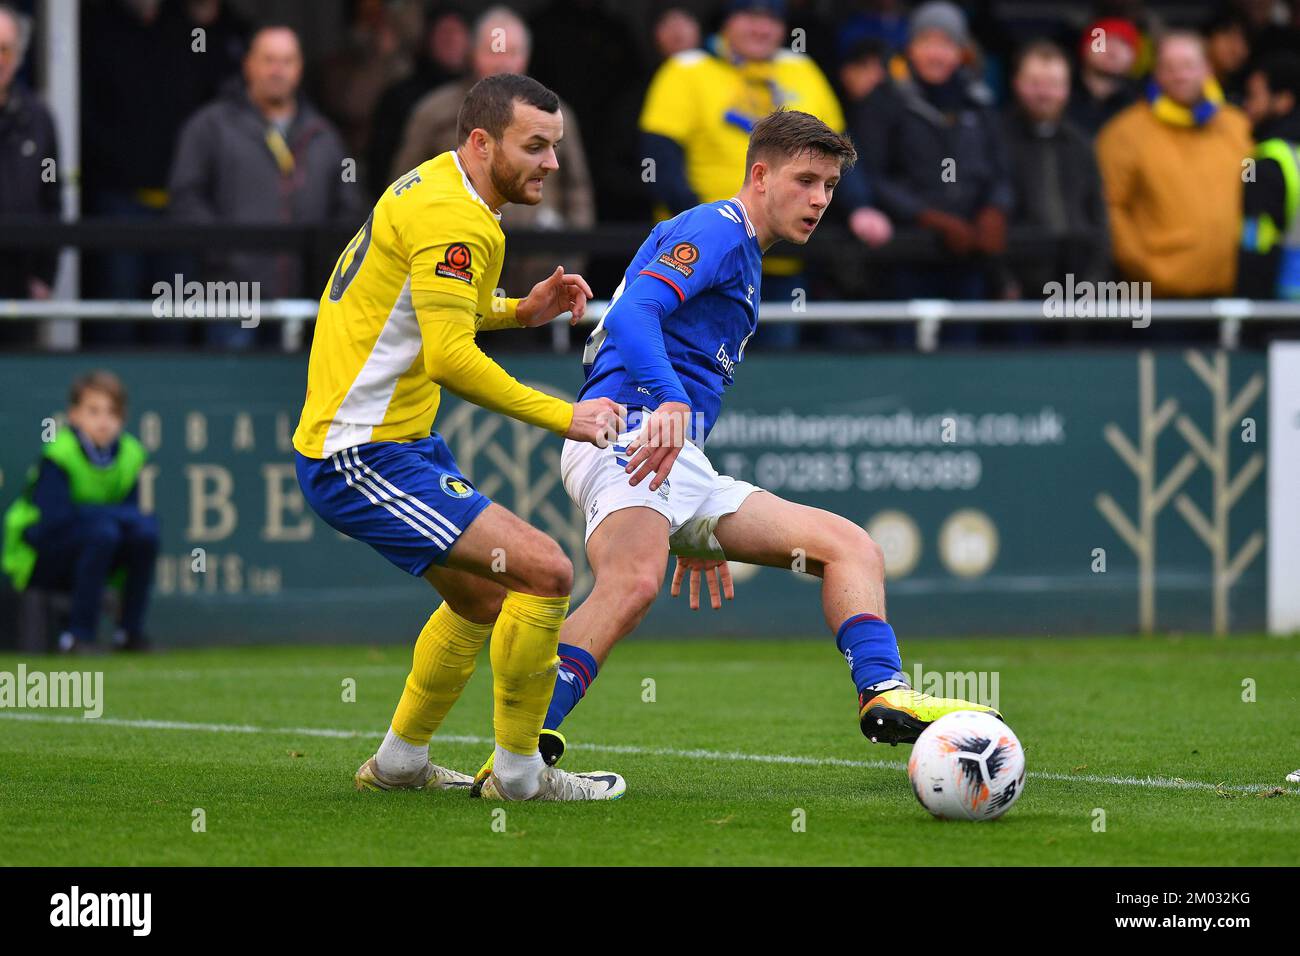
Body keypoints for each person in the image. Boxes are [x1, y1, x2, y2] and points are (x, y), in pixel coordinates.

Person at [466, 109, 1002, 794]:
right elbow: (630, 316)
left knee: (851, 548)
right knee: (631, 582)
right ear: (760, 174)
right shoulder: (717, 229)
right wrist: (667, 399)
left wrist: (684, 513)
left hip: (678, 454)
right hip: (629, 428)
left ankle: (883, 693)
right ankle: (516, 762)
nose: (819, 199)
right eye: (805, 180)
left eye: (830, 186)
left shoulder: (747, 259)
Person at [293, 74, 627, 803]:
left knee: (482, 597)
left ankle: (399, 766)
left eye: (556, 147)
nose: (551, 163)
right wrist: (565, 413)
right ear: (481, 142)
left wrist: (521, 310)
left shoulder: (441, 188)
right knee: (546, 572)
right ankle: (518, 779)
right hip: (360, 453)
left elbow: (436, 311)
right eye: (534, 146)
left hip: (390, 443)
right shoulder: (458, 217)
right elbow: (449, 357)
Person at [639, 0, 891, 349]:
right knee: (698, 363)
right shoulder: (687, 69)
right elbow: (661, 163)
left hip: (783, 262)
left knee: (773, 373)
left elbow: (838, 151)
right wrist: (712, 228)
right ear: (727, 21)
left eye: (771, 19)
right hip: (705, 259)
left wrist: (861, 206)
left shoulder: (800, 68)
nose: (761, 29)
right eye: (749, 17)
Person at [169, 24, 363, 347]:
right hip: (230, 297)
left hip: (307, 300)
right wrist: (227, 254)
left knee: (298, 394)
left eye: (287, 61)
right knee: (230, 390)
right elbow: (186, 199)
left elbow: (349, 209)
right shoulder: (211, 126)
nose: (278, 71)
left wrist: (325, 264)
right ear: (249, 65)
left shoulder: (324, 135)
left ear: (299, 69)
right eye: (269, 60)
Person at [392, 6, 595, 297]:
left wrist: (571, 261)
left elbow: (578, 191)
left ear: (526, 57)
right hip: (453, 270)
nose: (503, 61)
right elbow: (404, 186)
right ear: (472, 53)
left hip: (537, 274)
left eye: (512, 51)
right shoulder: (434, 112)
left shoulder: (555, 114)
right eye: (493, 51)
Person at [855, 1, 1011, 306]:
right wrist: (924, 216)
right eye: (927, 42)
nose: (936, 54)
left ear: (961, 52)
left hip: (971, 253)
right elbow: (872, 173)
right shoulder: (885, 99)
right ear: (910, 47)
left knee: (964, 348)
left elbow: (1001, 170)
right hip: (905, 253)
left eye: (947, 44)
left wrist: (995, 209)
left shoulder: (979, 102)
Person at [2, 371, 158, 653]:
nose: (104, 420)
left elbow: (132, 519)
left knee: (146, 534)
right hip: (37, 558)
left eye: (112, 412)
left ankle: (129, 633)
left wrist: (106, 518)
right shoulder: (60, 454)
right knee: (104, 532)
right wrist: (107, 517)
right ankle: (76, 637)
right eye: (94, 411)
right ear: (74, 415)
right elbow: (53, 522)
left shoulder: (130, 454)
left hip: (97, 548)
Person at [1096, 30, 1253, 297]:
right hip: (1160, 296)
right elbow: (1109, 207)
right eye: (1169, 67)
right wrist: (1144, 267)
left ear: (1207, 69)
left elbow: (1255, 190)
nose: (1180, 75)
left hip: (1232, 291)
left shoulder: (1239, 126)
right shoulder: (1124, 132)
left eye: (1188, 66)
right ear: (1156, 73)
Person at [1001, 40, 1109, 301]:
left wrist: (1097, 278)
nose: (1044, 93)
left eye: (1053, 84)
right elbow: (990, 217)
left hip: (1077, 283)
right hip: (1019, 284)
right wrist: (1002, 279)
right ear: (1016, 83)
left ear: (1068, 88)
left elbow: (1098, 215)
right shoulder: (996, 140)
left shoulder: (1081, 144)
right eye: (1035, 83)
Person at [0, 1, 59, 347]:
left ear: (19, 55)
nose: (0, 60)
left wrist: (44, 274)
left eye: (6, 49)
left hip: (19, 283)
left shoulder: (38, 120)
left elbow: (52, 196)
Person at [1238, 50, 1300, 299]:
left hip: (1279, 307)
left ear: (1283, 101)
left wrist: (1246, 307)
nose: (1247, 106)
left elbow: (1254, 240)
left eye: (1254, 96)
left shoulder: (1260, 162)